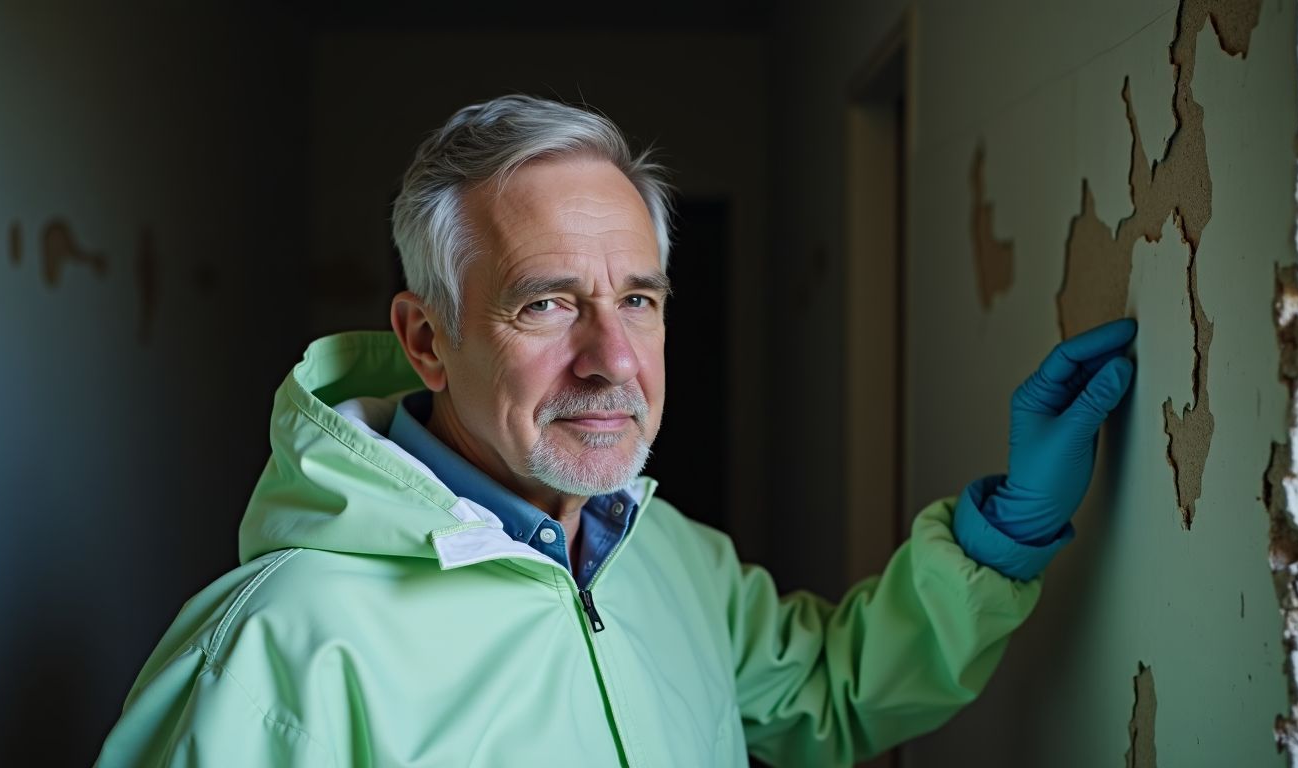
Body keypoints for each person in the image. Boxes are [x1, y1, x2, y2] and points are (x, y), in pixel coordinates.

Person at [96, 95, 1136, 767]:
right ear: (425, 339)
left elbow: (824, 693)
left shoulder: (657, 549)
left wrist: (1001, 532)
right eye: (546, 304)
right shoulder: (281, 649)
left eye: (638, 300)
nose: (613, 361)